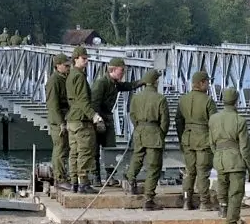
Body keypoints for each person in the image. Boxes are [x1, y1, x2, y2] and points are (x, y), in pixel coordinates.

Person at [209, 87, 250, 224]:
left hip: (220, 159)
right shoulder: (240, 120)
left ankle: (223, 207)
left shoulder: (213, 119)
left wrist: (218, 155)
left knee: (222, 188)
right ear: (236, 101)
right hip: (236, 161)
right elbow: (245, 148)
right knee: (235, 196)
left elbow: (211, 143)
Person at [91, 58, 144, 184]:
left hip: (107, 118)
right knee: (94, 149)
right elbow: (94, 103)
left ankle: (110, 176)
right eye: (121, 70)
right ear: (113, 69)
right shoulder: (101, 83)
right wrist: (97, 120)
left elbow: (128, 86)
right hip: (98, 119)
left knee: (110, 147)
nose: (123, 73)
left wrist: (142, 82)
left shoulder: (114, 83)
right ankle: (95, 177)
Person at [124, 69, 170, 210]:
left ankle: (131, 180)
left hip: (139, 131)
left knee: (137, 157)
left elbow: (132, 115)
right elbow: (165, 121)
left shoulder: (136, 97)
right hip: (154, 132)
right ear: (155, 82)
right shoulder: (160, 98)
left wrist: (138, 127)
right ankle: (149, 199)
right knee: (154, 166)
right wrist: (161, 133)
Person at [176, 71, 218, 210]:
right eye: (207, 82)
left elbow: (178, 121)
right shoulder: (208, 101)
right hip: (203, 139)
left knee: (189, 171)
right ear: (201, 83)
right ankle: (204, 202)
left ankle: (187, 202)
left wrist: (181, 137)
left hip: (187, 138)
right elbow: (214, 123)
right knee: (203, 172)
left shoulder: (183, 100)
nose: (208, 84)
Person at [65, 45, 104, 193]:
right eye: (84, 58)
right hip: (81, 121)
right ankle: (84, 183)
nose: (86, 61)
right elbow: (82, 101)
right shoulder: (79, 76)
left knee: (74, 153)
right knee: (85, 152)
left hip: (72, 120)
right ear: (76, 59)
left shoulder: (70, 75)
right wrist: (93, 115)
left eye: (87, 59)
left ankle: (74, 182)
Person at [45, 53, 71, 193]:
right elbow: (53, 105)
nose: (68, 67)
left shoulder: (63, 78)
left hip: (64, 117)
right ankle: (60, 179)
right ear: (57, 66)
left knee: (64, 148)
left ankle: (62, 177)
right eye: (66, 65)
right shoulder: (54, 81)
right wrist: (61, 123)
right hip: (58, 121)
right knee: (60, 148)